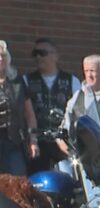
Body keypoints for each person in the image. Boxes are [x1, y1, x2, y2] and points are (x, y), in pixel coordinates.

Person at [22, 38, 79, 173]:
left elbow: (78, 112)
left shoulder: (71, 81)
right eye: (35, 53)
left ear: (55, 56)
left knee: (68, 176)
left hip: (63, 142)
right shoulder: (26, 81)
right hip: (37, 142)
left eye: (42, 53)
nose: (38, 57)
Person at [0, 41, 38, 176]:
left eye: (3, 56)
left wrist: (33, 140)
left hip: (13, 141)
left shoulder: (17, 81)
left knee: (18, 179)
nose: (0, 59)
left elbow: (30, 114)